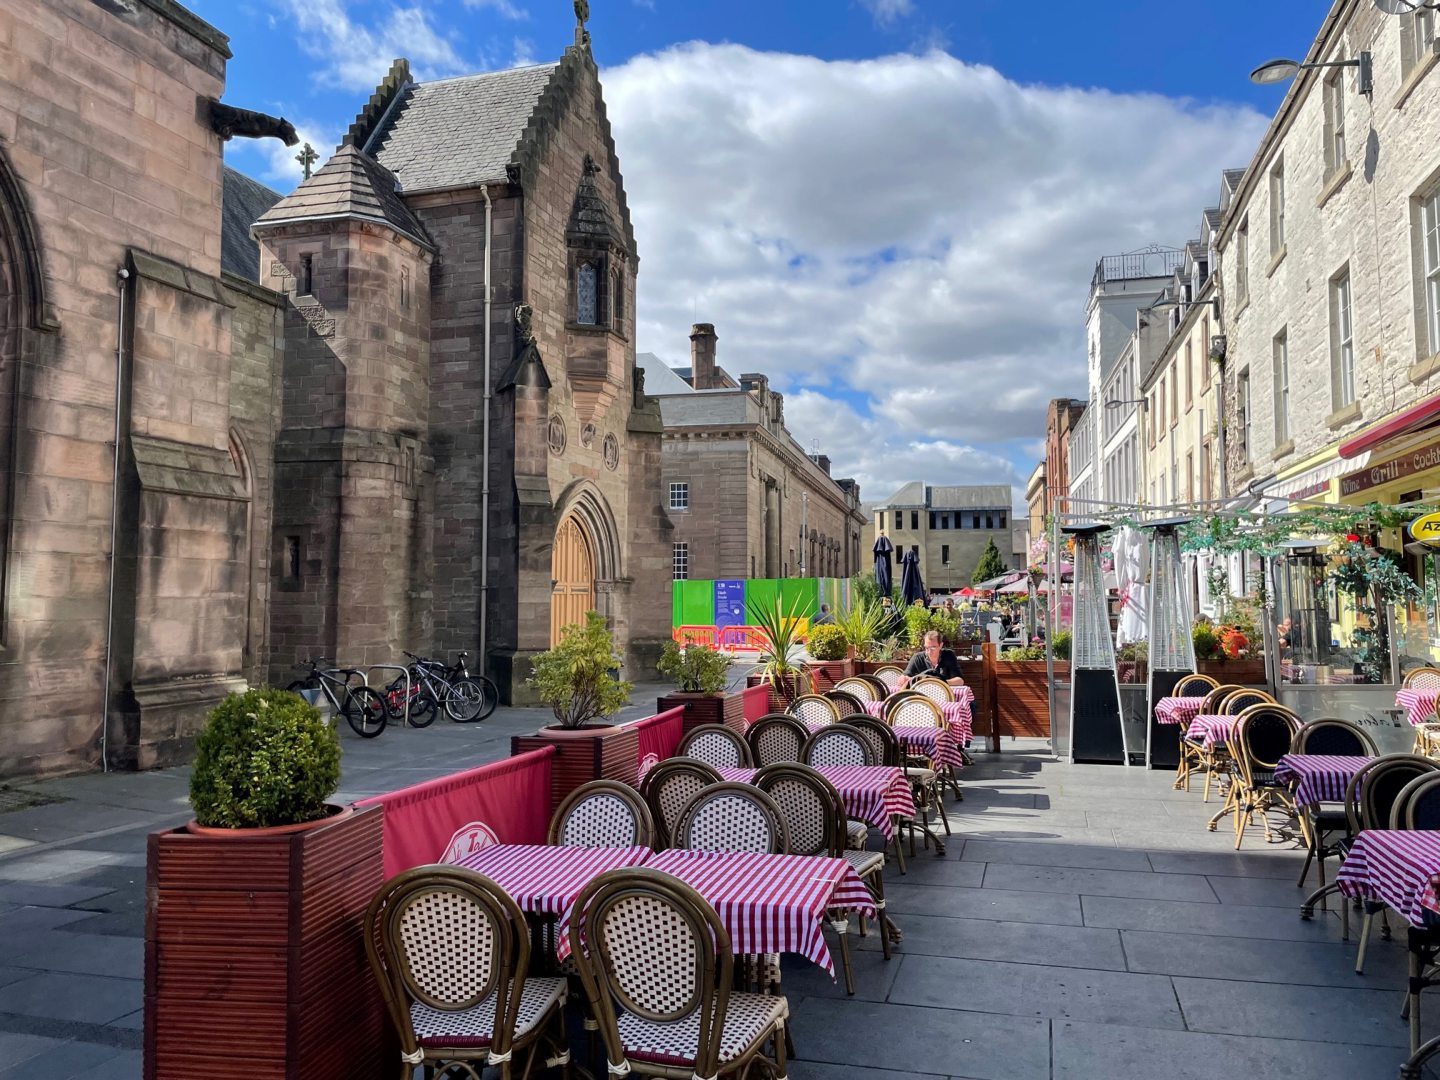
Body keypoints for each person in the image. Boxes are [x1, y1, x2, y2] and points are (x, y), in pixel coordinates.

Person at [899, 629, 966, 689]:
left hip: (945, 694)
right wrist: (912, 680)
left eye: (933, 648)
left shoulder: (948, 656)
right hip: (922, 695)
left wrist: (937, 682)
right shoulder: (917, 658)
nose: (929, 651)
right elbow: (902, 678)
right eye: (927, 648)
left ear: (941, 645)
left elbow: (960, 681)